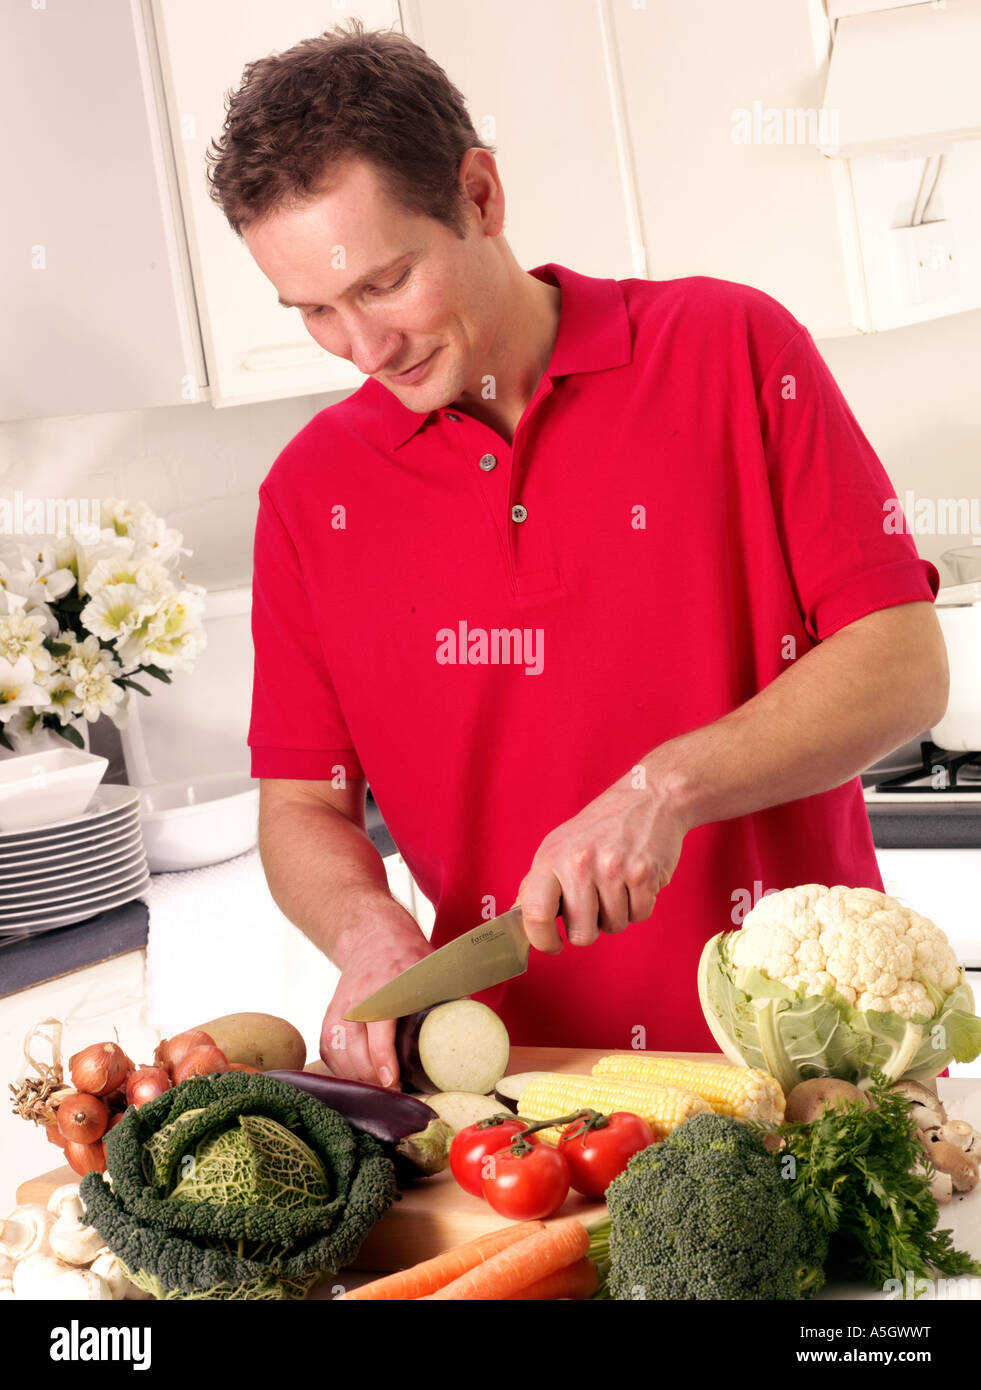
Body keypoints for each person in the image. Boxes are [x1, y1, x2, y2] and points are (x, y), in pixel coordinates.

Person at [206, 20, 948, 1088]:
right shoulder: (308, 496)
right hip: (514, 1102)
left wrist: (667, 787)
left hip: (810, 1080)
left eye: (384, 283)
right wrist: (364, 926)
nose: (367, 350)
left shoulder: (731, 351)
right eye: (315, 311)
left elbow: (904, 664)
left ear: (480, 196)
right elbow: (303, 807)